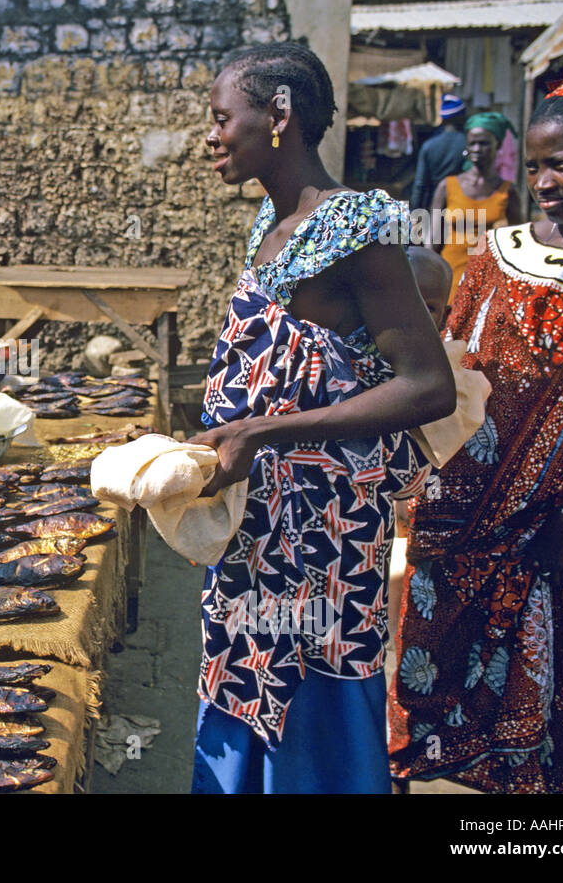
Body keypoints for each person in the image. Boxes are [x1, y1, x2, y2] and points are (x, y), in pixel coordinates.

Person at [190, 41, 455, 793]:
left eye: (221, 118)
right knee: (243, 674)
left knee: (318, 696)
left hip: (326, 536)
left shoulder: (356, 228)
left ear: (278, 115)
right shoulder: (267, 227)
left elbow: (427, 386)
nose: (212, 135)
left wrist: (266, 431)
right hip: (257, 525)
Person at [389, 18, 563, 794]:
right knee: (411, 683)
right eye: (532, 167)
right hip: (449, 517)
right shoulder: (497, 256)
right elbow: (451, 374)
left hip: (551, 531)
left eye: (562, 164)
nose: (545, 183)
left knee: (531, 690)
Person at [388, 247, 454, 640]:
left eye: (427, 307)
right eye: (404, 302)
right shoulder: (362, 360)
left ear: (445, 316)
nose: (413, 315)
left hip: (424, 507)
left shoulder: (452, 370)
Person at [428, 111, 523, 302]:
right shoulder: (447, 186)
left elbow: (518, 244)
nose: (477, 148)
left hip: (488, 283)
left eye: (484, 143)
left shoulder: (507, 191)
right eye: (472, 143)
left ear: (498, 145)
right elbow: (432, 242)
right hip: (449, 281)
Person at [410, 94, 468, 218]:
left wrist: (414, 215)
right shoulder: (468, 144)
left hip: (435, 207)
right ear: (462, 117)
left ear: (443, 119)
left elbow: (420, 185)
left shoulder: (429, 146)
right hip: (462, 206)